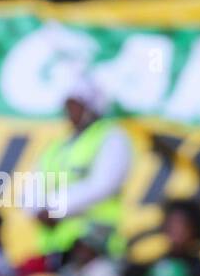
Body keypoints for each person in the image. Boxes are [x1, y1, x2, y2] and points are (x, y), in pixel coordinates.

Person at [28, 75, 133, 258]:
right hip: (54, 249)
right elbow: (33, 187)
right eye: (68, 106)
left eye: (76, 105)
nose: (70, 111)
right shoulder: (56, 148)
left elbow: (103, 184)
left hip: (96, 248)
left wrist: (55, 208)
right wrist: (36, 209)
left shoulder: (112, 137)